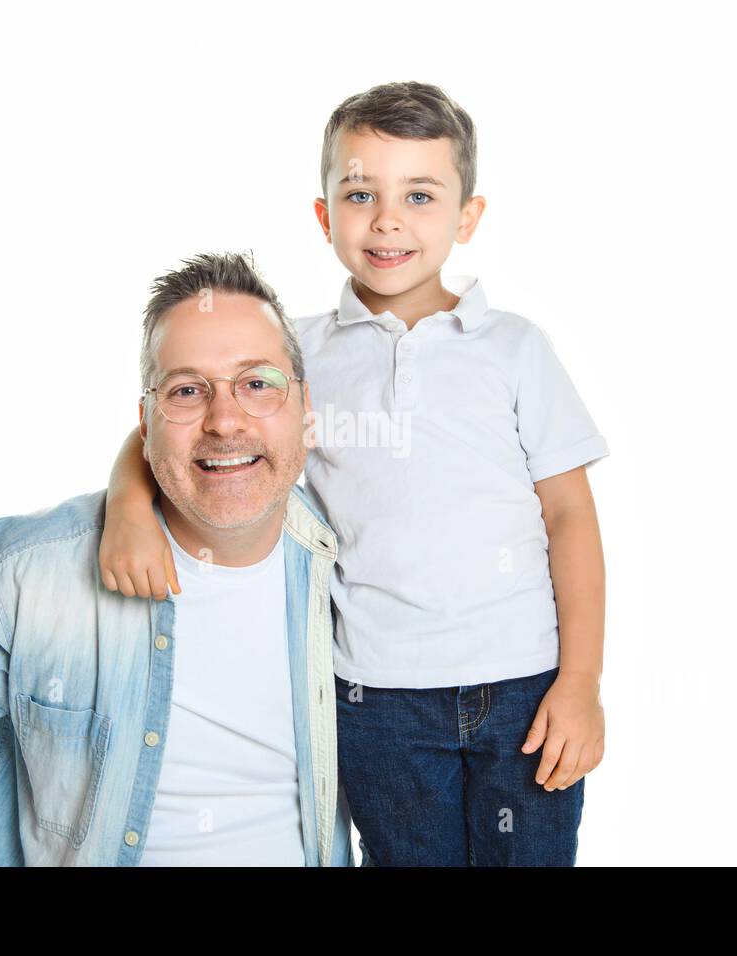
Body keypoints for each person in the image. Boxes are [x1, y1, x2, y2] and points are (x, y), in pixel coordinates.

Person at [99, 81, 610, 866]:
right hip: (376, 696)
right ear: (324, 214)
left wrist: (579, 682)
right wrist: (130, 509)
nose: (389, 219)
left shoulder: (514, 348)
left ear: (467, 217)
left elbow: (570, 515)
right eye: (361, 193)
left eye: (420, 195)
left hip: (525, 687)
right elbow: (191, 415)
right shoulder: (302, 351)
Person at [0, 251, 354, 866]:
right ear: (145, 422)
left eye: (257, 383)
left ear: (304, 405)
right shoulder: (25, 577)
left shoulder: (358, 557)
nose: (225, 419)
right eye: (187, 390)